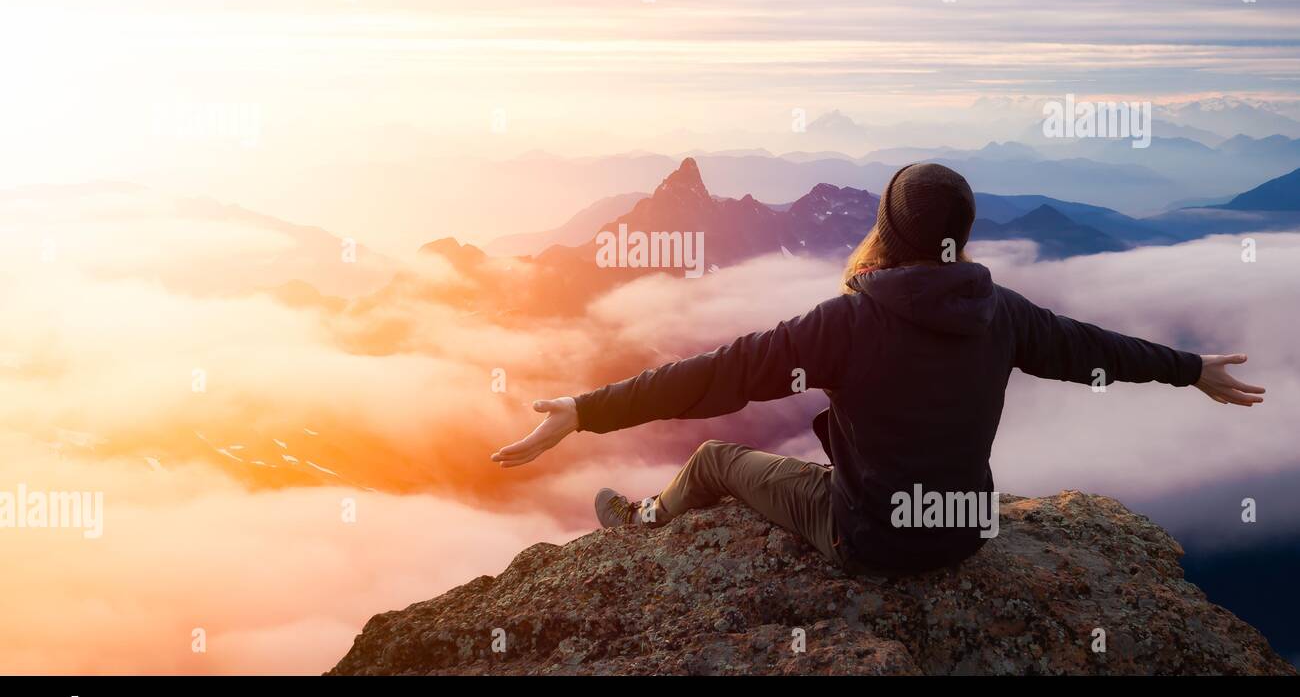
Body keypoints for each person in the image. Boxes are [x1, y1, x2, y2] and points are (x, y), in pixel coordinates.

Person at [490, 163, 1266, 574]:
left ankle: (643, 525)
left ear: (887, 231)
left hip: (873, 542)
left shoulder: (849, 322)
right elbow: (1095, 349)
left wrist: (586, 410)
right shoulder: (1003, 312)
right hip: (964, 533)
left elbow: (716, 373)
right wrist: (1191, 367)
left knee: (715, 459)